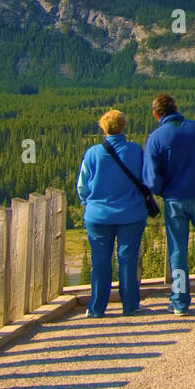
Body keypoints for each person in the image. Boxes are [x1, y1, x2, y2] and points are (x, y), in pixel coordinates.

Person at [143, 93, 195, 315]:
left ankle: (180, 302)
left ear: (156, 114)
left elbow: (151, 178)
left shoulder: (156, 138)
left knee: (177, 251)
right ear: (176, 107)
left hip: (174, 202)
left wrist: (164, 190)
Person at [76, 110, 148, 318]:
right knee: (128, 259)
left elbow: (82, 185)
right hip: (131, 214)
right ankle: (130, 305)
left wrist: (88, 203)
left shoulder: (92, 153)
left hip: (98, 216)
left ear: (104, 128)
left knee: (100, 260)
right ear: (124, 126)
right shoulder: (135, 150)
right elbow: (146, 178)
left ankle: (97, 307)